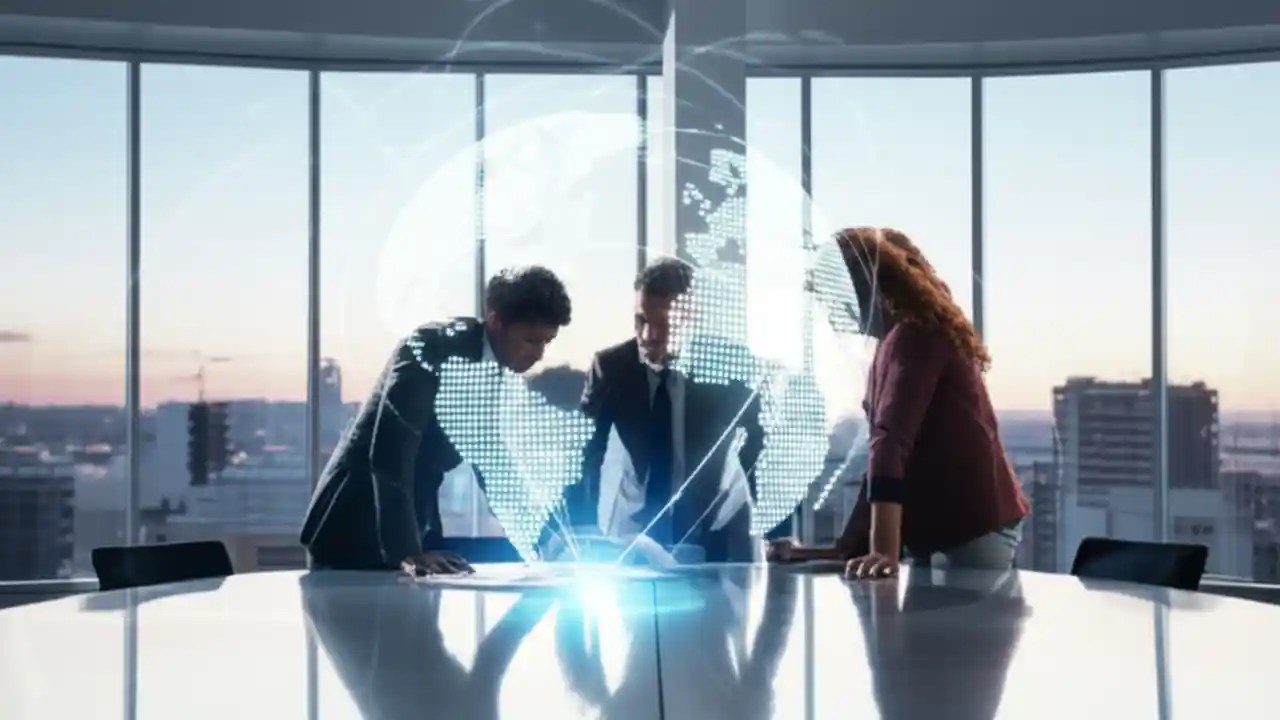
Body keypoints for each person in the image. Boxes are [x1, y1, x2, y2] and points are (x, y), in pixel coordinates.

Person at [769, 227, 1028, 577]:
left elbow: (890, 444)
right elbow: (880, 461)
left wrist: (882, 552)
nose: (831, 310)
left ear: (862, 289)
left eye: (834, 293)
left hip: (971, 526)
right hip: (943, 528)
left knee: (956, 615)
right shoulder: (895, 341)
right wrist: (843, 550)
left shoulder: (914, 336)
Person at [300, 266, 572, 576]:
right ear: (496, 321)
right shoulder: (431, 348)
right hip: (354, 524)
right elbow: (389, 454)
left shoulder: (494, 369)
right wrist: (408, 552)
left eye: (547, 342)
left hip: (415, 529)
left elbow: (492, 462)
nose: (538, 354)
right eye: (530, 340)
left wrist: (546, 540)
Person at [559, 257, 764, 562]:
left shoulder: (729, 364)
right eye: (641, 320)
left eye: (663, 325)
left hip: (715, 526)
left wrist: (776, 529)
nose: (647, 336)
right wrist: (581, 526)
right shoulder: (612, 367)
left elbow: (761, 447)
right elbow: (585, 451)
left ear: (691, 319)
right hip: (637, 527)